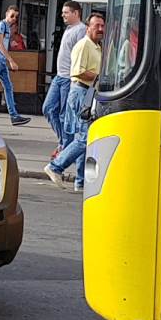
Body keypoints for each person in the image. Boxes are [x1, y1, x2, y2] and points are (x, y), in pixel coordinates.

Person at [45, 12, 105, 192]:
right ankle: (56, 166)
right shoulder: (83, 45)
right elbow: (78, 71)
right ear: (88, 28)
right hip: (81, 92)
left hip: (88, 92)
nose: (100, 29)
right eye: (97, 26)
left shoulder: (96, 46)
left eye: (102, 26)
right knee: (84, 137)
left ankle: (80, 182)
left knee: (83, 136)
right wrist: (102, 78)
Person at [42, 1, 86, 155]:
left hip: (69, 78)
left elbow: (79, 55)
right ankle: (63, 142)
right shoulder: (69, 29)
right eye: (62, 12)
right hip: (59, 76)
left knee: (63, 115)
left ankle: (64, 147)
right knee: (48, 108)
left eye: (66, 12)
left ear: (76, 13)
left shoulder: (81, 30)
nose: (63, 15)